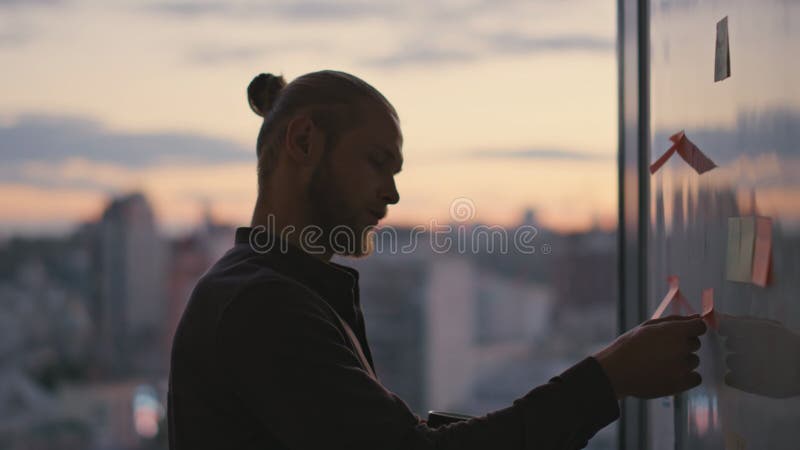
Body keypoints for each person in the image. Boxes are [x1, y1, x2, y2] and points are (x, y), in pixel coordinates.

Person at [167, 70, 706, 450]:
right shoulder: (265, 307)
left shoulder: (265, 289)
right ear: (303, 141)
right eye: (379, 163)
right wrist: (607, 378)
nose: (393, 195)